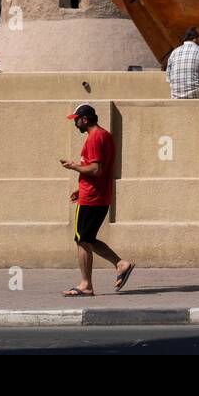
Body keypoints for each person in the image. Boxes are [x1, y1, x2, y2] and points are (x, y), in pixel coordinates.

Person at [60, 104, 134, 296]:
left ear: (85, 119)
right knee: (88, 238)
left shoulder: (94, 138)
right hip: (99, 194)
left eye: (76, 120)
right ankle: (120, 264)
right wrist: (80, 187)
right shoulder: (105, 136)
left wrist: (73, 166)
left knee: (82, 240)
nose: (75, 124)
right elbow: (99, 170)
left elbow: (95, 169)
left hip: (91, 198)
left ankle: (86, 285)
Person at [166, 26, 199, 99]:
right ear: (195, 38)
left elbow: (169, 78)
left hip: (176, 95)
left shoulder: (174, 53)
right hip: (198, 93)